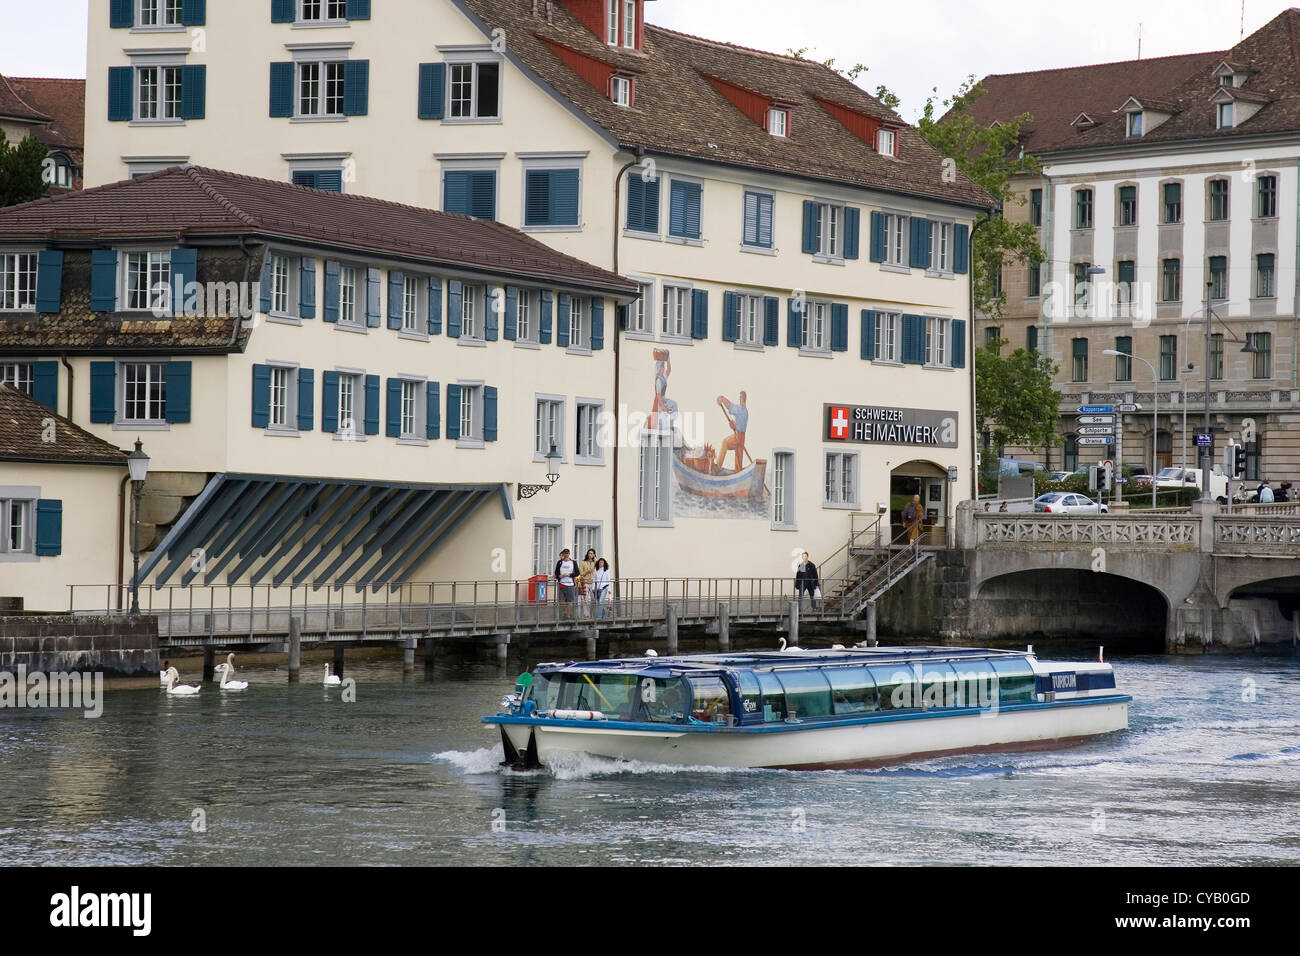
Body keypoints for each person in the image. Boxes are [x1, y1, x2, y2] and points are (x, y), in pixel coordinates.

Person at [714, 391, 748, 473]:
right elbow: (731, 406)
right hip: (740, 436)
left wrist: (722, 398)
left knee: (725, 442)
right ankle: (738, 473)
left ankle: (718, 466)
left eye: (740, 397)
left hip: (739, 437)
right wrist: (734, 425)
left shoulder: (742, 410)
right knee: (738, 459)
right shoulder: (743, 410)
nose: (739, 399)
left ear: (743, 399)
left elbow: (731, 407)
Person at [553, 548, 577, 616]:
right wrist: (560, 576)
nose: (566, 555)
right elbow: (556, 573)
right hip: (562, 583)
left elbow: (577, 573)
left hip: (570, 584)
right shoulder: (560, 562)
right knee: (561, 600)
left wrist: (569, 575)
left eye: (567, 553)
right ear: (563, 554)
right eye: (565, 553)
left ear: (569, 554)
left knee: (569, 600)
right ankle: (565, 612)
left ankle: (567, 614)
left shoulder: (573, 562)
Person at [578, 548, 597, 617]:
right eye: (589, 553)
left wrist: (595, 561)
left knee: (593, 599)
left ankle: (592, 614)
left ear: (594, 555)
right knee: (585, 599)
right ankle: (586, 614)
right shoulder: (583, 562)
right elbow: (581, 573)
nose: (590, 555)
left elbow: (599, 570)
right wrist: (588, 571)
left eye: (592, 553)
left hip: (593, 582)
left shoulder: (595, 562)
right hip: (585, 582)